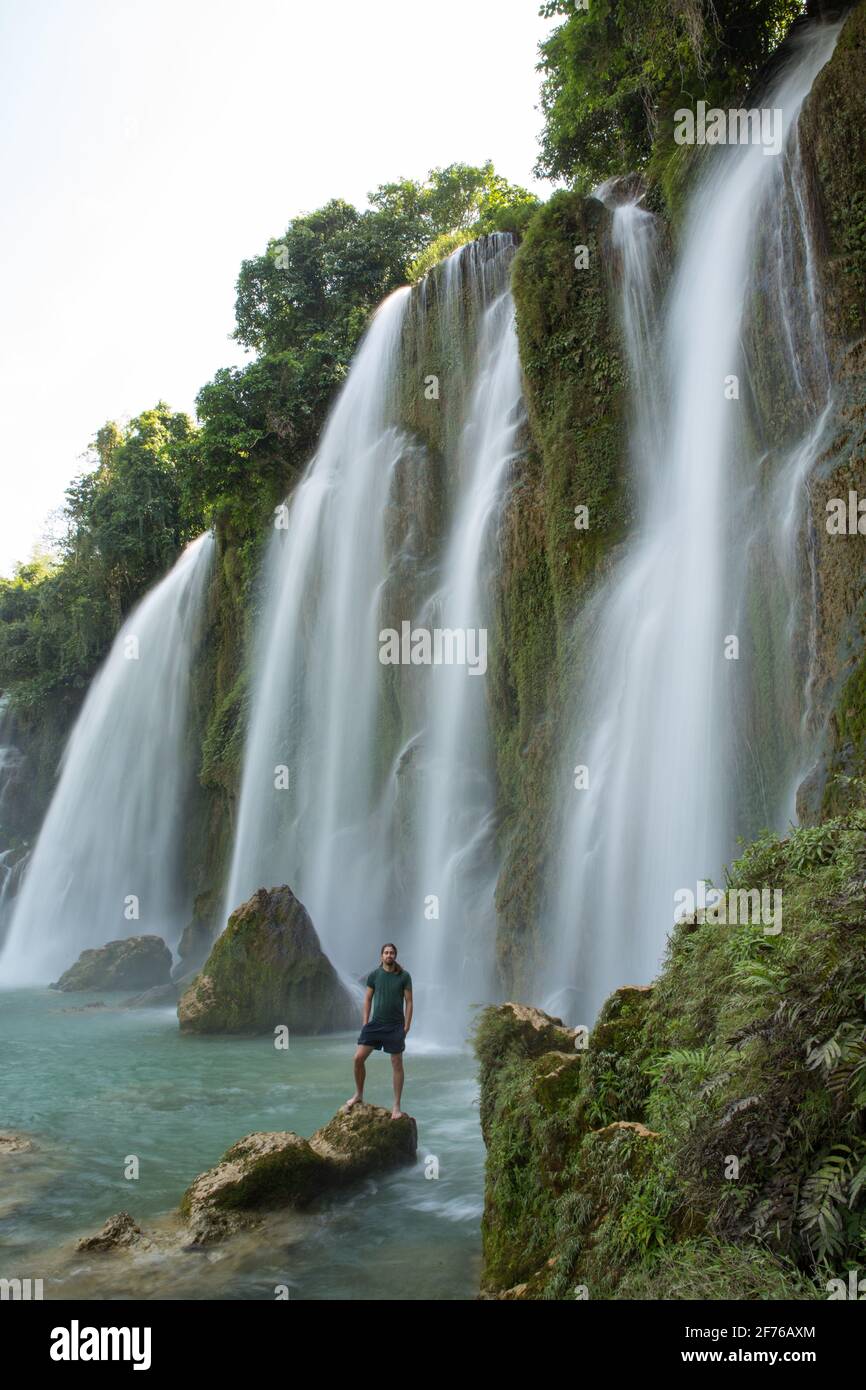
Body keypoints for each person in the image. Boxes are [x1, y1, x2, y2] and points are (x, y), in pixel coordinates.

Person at [344, 943, 413, 1119]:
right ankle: (358, 1094)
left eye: (391, 953)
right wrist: (365, 1022)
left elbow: (409, 1002)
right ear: (381, 956)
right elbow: (367, 998)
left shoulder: (404, 976)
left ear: (395, 956)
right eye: (386, 952)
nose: (389, 955)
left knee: (397, 1063)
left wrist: (407, 1025)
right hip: (375, 1024)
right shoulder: (374, 975)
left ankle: (396, 1106)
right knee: (358, 1058)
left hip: (395, 1026)